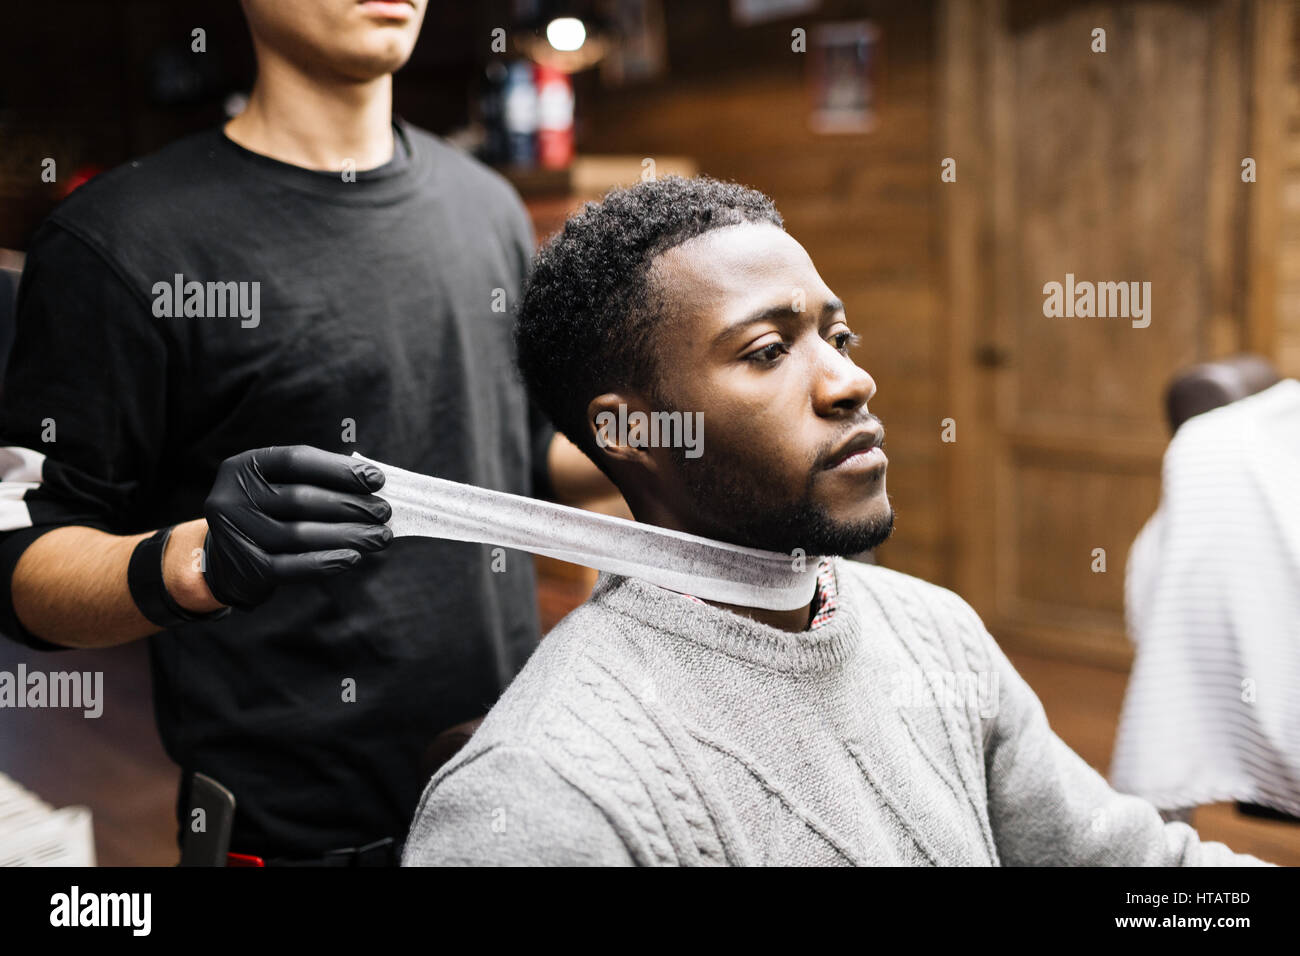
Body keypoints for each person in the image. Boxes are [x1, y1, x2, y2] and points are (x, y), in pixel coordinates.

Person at [401, 176, 1271, 866]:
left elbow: (1127, 871)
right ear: (630, 431)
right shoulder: (545, 788)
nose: (851, 382)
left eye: (838, 337)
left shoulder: (935, 636)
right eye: (769, 351)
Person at [0, 0, 610, 865]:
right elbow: (23, 562)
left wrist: (680, 449)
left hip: (505, 803)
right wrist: (198, 560)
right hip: (290, 839)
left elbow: (518, 455)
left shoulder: (488, 209)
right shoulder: (121, 240)